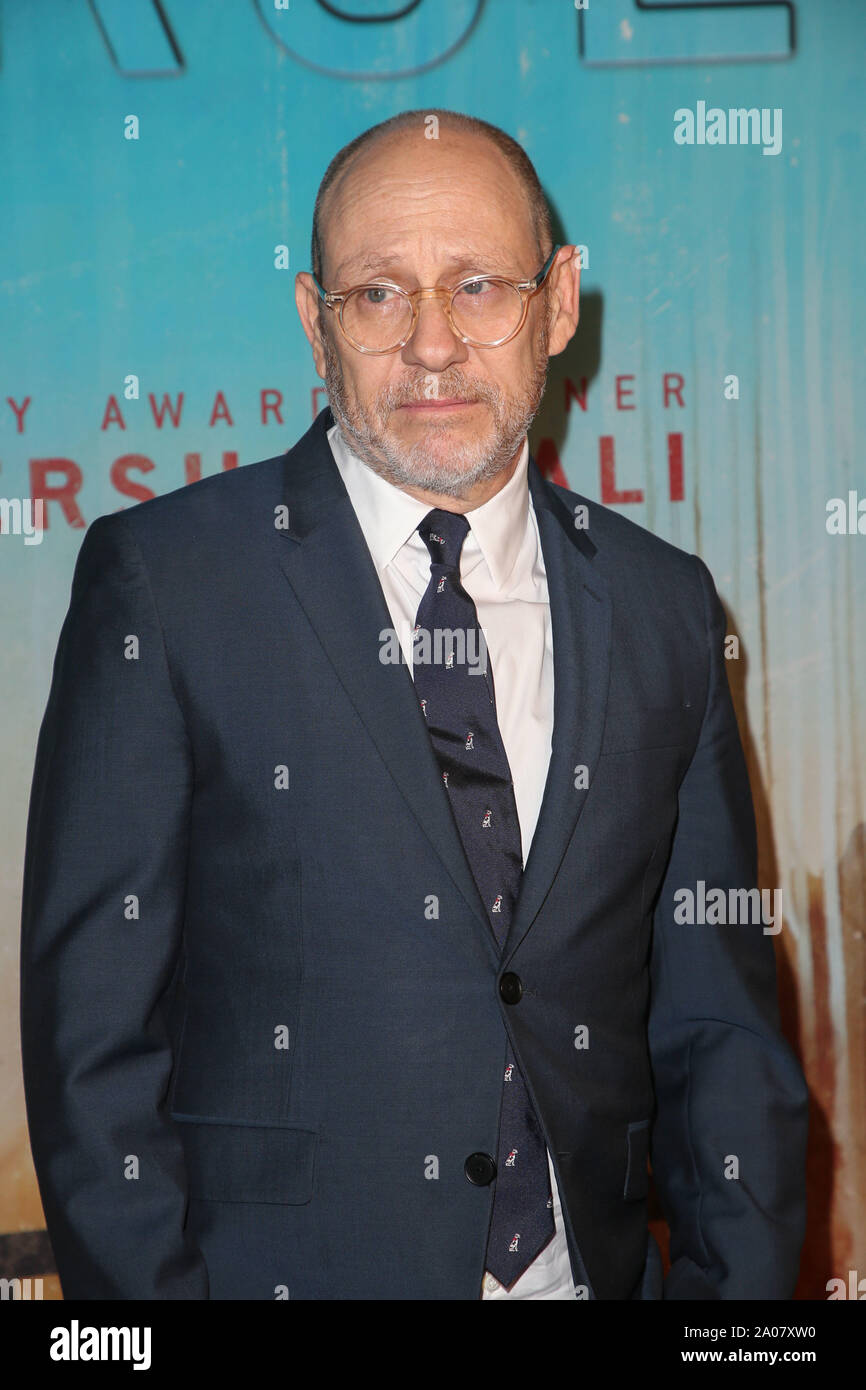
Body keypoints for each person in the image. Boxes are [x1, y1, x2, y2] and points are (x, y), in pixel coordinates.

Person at [20, 108, 808, 1300]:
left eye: (478, 286)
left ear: (556, 303)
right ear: (312, 322)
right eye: (378, 294)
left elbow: (721, 1033)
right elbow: (93, 1054)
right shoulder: (168, 582)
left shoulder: (663, 607)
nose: (432, 345)